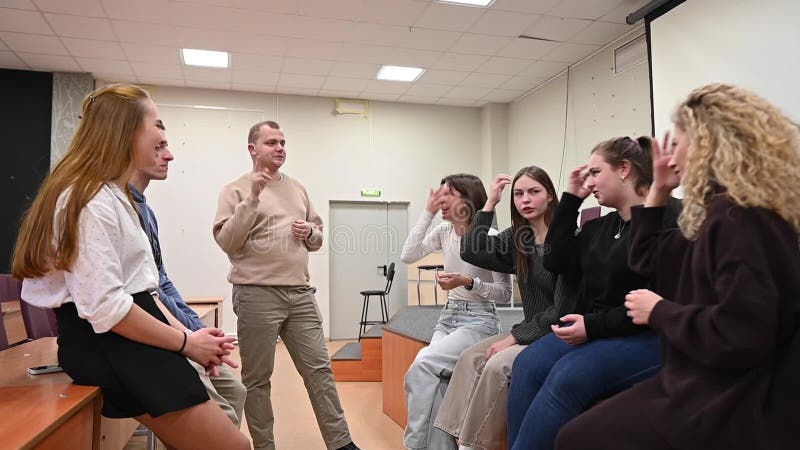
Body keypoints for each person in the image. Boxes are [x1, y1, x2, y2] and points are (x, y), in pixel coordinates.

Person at [556, 83, 800, 450]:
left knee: (577, 438)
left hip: (734, 394)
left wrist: (659, 311)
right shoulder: (721, 213)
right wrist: (659, 189)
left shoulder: (741, 219)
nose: (671, 155)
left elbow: (741, 334)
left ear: (706, 145)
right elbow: (646, 259)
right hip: (704, 376)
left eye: (678, 141)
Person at [12, 84, 250, 450]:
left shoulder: (111, 196)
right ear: (125, 130)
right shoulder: (89, 200)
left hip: (124, 338)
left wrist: (191, 341)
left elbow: (146, 293)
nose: (167, 142)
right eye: (158, 125)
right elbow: (108, 308)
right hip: (109, 344)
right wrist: (187, 342)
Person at [506, 136, 681, 450]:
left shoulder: (667, 219)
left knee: (568, 375)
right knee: (527, 364)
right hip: (600, 329)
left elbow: (655, 298)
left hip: (646, 334)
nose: (590, 182)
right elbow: (556, 260)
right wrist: (571, 198)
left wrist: (593, 326)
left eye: (596, 172)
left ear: (624, 170)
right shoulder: (601, 227)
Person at [213, 120, 359, 450]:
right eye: (271, 142)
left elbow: (318, 238)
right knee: (257, 379)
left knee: (320, 370)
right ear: (252, 149)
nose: (279, 148)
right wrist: (252, 198)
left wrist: (310, 232)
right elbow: (227, 241)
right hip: (256, 294)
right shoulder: (235, 190)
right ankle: (265, 446)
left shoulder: (298, 189)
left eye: (282, 142)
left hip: (300, 293)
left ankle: (341, 443)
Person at [433, 167, 579, 450]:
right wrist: (490, 204)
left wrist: (513, 337)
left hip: (554, 332)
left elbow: (560, 311)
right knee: (469, 358)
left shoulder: (567, 240)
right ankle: (453, 439)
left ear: (550, 196)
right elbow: (471, 250)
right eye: (519, 194)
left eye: (534, 192)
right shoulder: (519, 237)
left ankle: (474, 444)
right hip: (530, 329)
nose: (525, 199)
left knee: (496, 365)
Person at [129, 135, 247, 427]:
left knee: (236, 391)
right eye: (159, 147)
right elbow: (144, 297)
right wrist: (189, 339)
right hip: (150, 337)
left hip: (173, 329)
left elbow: (162, 283)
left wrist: (196, 328)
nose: (169, 155)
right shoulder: (118, 210)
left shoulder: (146, 212)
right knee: (224, 417)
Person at [401, 174, 512, 450]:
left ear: (468, 200)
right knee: (437, 382)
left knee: (422, 364)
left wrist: (468, 282)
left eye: (448, 194)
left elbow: (504, 293)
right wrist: (427, 212)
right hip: (448, 317)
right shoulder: (444, 232)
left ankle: (414, 446)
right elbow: (408, 254)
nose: (441, 200)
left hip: (480, 320)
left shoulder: (491, 237)